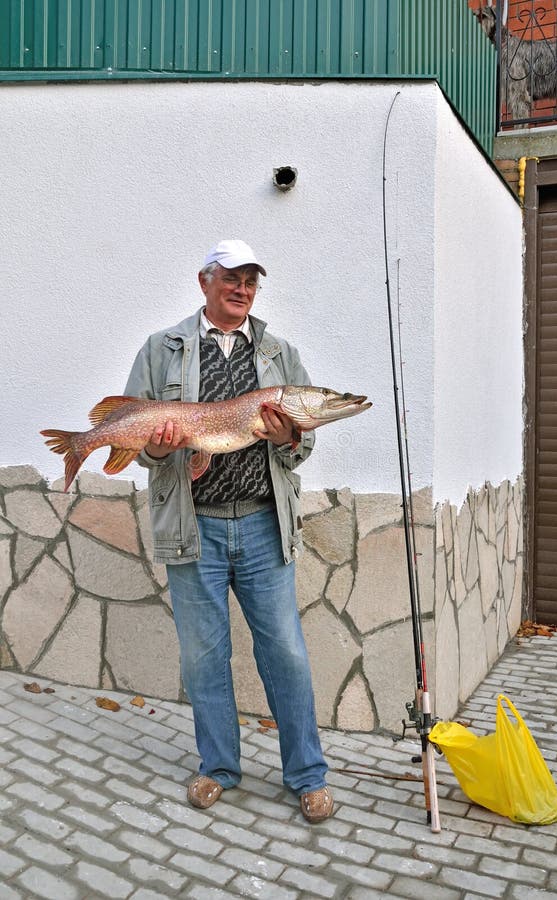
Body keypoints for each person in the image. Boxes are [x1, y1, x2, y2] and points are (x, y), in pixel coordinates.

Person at [125, 239, 333, 824]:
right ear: (205, 282)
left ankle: (308, 775)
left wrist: (287, 436)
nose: (242, 289)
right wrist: (156, 446)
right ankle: (218, 767)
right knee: (204, 657)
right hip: (197, 529)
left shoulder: (278, 354)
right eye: (231, 279)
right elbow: (140, 442)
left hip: (264, 526)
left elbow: (306, 441)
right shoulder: (162, 349)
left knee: (286, 653)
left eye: (251, 281)